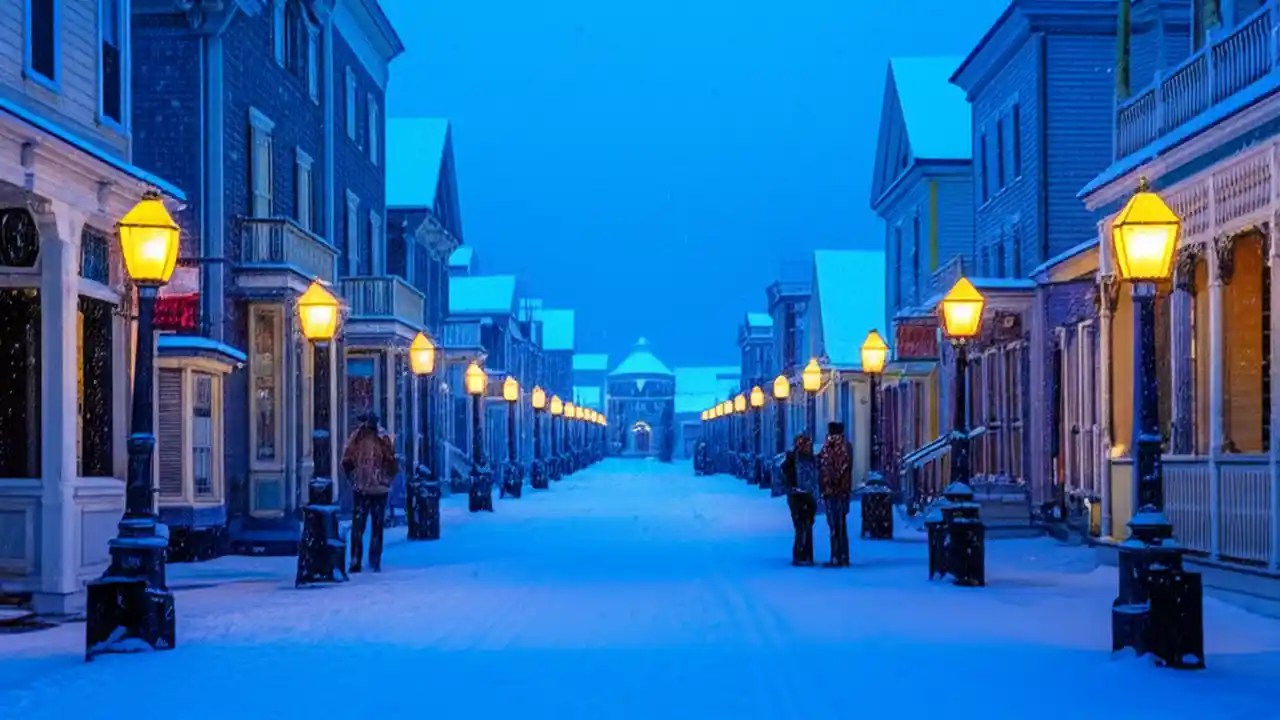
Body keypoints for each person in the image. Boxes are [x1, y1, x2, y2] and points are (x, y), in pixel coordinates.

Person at [341, 413, 398, 572]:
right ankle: (373, 559)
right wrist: (385, 477)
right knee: (375, 525)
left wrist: (353, 477)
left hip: (363, 487)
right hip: (378, 488)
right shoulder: (382, 437)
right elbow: (391, 461)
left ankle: (356, 559)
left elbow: (347, 460)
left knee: (359, 525)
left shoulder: (357, 437)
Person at [818, 422, 853, 568]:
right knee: (839, 524)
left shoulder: (831, 447)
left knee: (835, 524)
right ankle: (841, 555)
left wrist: (829, 483)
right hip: (839, 491)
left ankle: (837, 555)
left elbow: (833, 468)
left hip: (834, 491)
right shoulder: (843, 446)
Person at [782, 434, 819, 566]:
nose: (808, 448)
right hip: (797, 496)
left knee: (808, 524)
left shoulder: (812, 459)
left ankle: (807, 554)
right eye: (806, 445)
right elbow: (786, 473)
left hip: (809, 496)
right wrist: (792, 487)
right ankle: (799, 554)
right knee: (800, 525)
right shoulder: (792, 459)